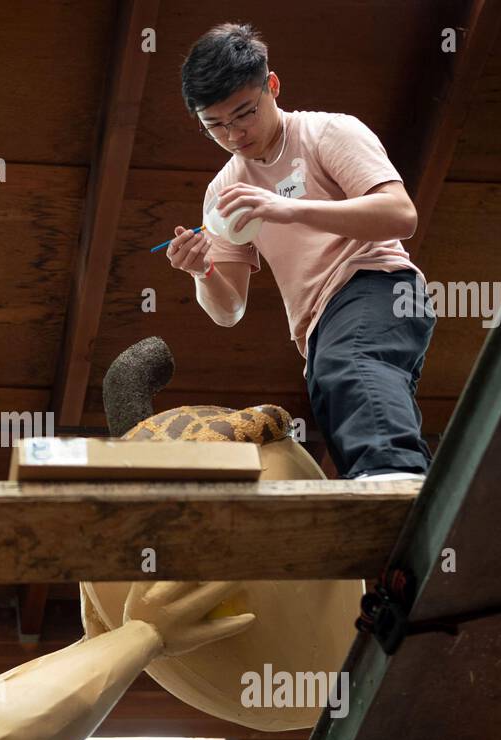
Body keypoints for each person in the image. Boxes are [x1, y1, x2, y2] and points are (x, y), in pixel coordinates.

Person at [167, 22, 436, 481]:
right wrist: (202, 271)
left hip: (377, 285)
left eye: (244, 114)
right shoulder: (223, 191)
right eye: (215, 125)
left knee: (349, 367)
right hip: (316, 333)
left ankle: (399, 476)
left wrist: (288, 209)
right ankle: (402, 506)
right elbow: (228, 310)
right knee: (339, 398)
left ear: (271, 85)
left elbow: (400, 214)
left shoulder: (327, 132)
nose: (233, 135)